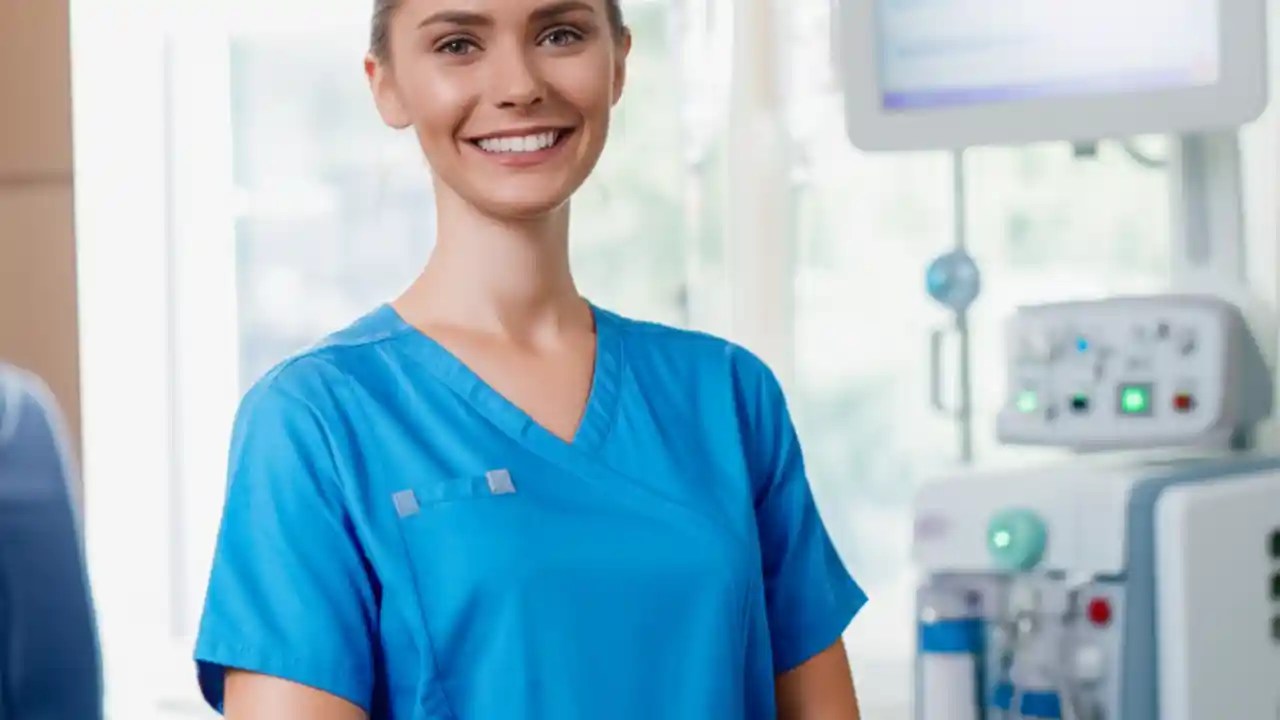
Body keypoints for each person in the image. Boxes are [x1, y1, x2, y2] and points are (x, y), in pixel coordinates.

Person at [193, 0, 868, 717]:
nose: (518, 84)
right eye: (458, 43)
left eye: (560, 34)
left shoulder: (728, 398)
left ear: (618, 63)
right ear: (386, 84)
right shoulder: (317, 421)